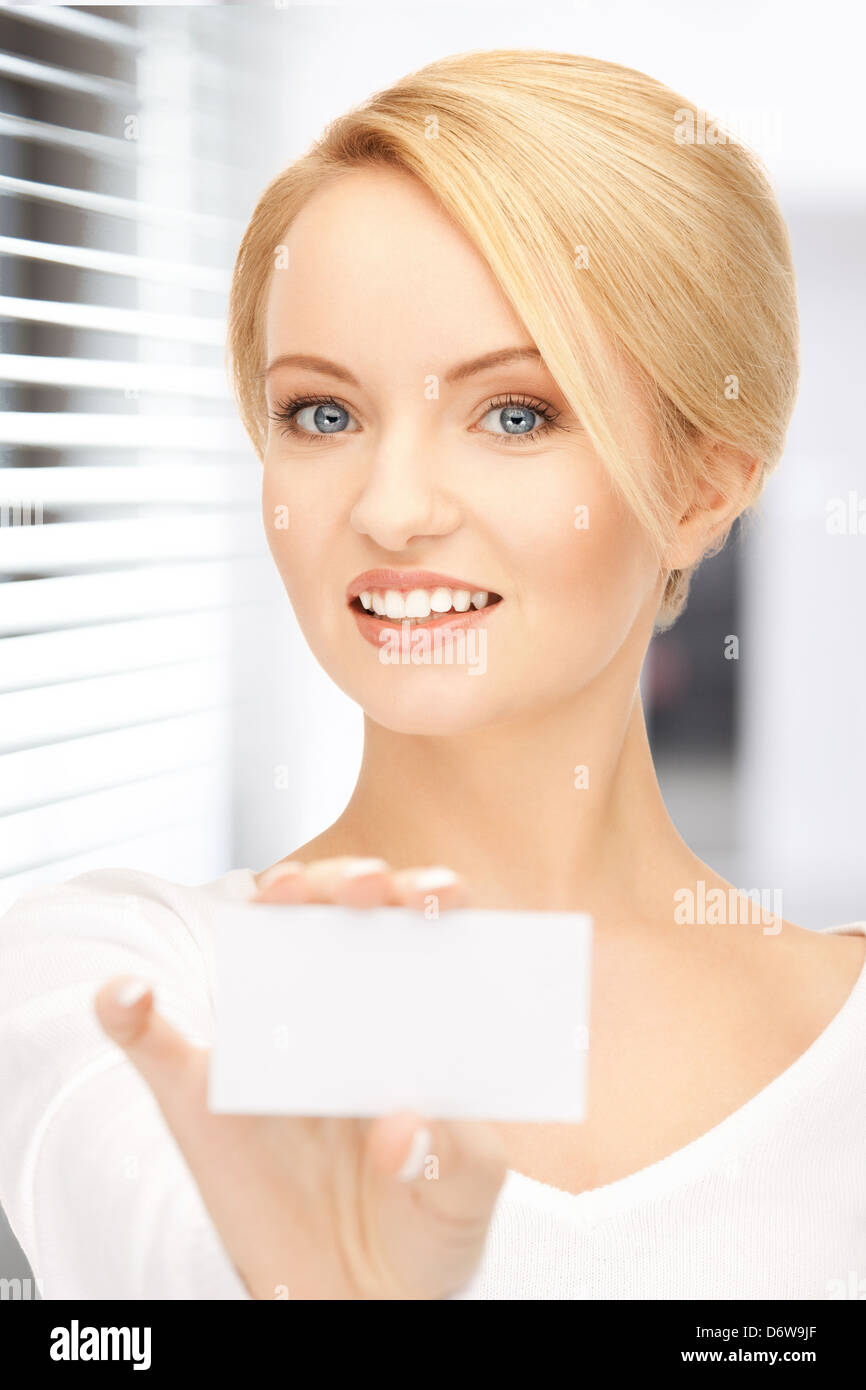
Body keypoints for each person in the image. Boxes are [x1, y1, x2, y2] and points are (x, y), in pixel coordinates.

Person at [1, 50, 863, 1301]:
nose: (391, 510)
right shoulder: (124, 979)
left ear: (699, 488)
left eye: (512, 413)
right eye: (322, 414)